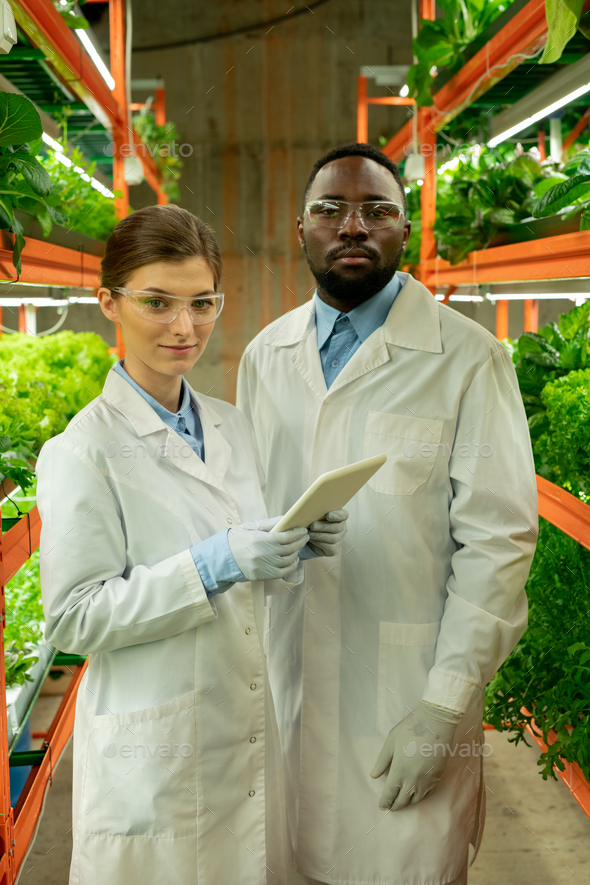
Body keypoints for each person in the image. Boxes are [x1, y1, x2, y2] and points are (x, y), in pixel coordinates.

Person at [236, 143, 538, 885]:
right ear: (298, 229)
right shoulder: (264, 357)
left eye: (378, 209)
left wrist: (442, 710)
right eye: (330, 210)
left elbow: (498, 544)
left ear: (407, 232)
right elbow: (244, 510)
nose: (352, 226)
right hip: (286, 683)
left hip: (407, 694)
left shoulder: (468, 359)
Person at [35, 204, 348, 885]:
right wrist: (213, 562)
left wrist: (293, 543)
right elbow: (73, 616)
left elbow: (246, 562)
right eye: (158, 302)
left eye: (202, 303)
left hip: (239, 732)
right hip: (152, 756)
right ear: (108, 302)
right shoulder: (82, 451)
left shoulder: (232, 424)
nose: (185, 327)